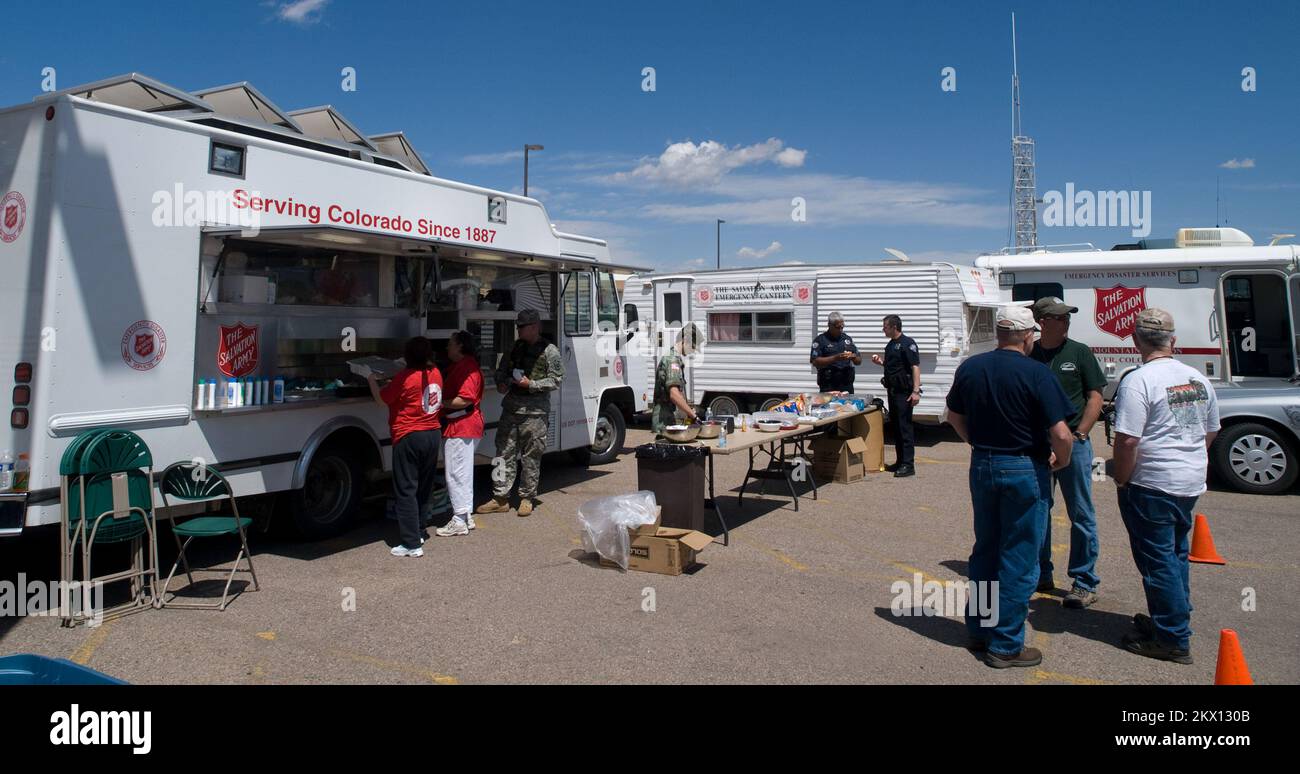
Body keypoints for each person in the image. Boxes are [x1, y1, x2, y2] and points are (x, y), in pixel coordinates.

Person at [946, 305, 1074, 668]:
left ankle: (982, 628)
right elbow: (1061, 433)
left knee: (986, 549)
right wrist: (1061, 459)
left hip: (984, 463)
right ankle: (1005, 644)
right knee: (1019, 556)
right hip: (1022, 466)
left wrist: (977, 443)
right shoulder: (1037, 373)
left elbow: (954, 415)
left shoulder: (971, 367)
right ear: (1026, 335)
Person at [1111, 308, 1219, 664]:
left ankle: (1172, 637)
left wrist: (1123, 478)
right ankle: (1171, 619)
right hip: (1188, 481)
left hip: (1152, 482)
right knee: (1175, 554)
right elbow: (1211, 429)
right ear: (1173, 340)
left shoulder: (1139, 380)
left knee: (1157, 560)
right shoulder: (1195, 378)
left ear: (1136, 340)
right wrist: (1189, 457)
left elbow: (1127, 440)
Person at [1030, 296, 1108, 607]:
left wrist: (1079, 435)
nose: (1066, 322)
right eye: (1060, 318)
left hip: (1075, 443)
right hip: (1039, 444)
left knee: (1081, 513)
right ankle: (1041, 573)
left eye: (1067, 317)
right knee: (1039, 511)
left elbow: (1095, 398)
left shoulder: (1079, 352)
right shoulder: (1029, 352)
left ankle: (1084, 581)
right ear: (1043, 322)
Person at [476, 309, 564, 518]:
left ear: (534, 327)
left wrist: (531, 384)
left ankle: (527, 497)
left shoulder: (550, 351)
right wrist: (502, 383)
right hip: (511, 409)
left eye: (521, 327)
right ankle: (500, 498)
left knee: (531, 457)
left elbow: (556, 380)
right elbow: (502, 370)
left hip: (534, 413)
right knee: (502, 454)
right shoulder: (515, 348)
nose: (518, 330)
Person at [368, 337, 443, 558]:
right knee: (423, 486)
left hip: (409, 435)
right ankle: (419, 530)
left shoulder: (404, 378)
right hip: (432, 434)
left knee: (406, 489)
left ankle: (411, 544)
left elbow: (382, 400)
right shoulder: (436, 373)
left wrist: (371, 379)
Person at [435, 331, 484, 537]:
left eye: (450, 344)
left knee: (456, 474)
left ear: (461, 346)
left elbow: (465, 399)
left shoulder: (468, 368)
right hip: (463, 426)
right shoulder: (462, 366)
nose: (447, 347)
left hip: (461, 426)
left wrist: (438, 403)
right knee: (463, 474)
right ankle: (465, 516)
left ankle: (459, 519)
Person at [870, 315, 921, 477]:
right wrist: (881, 362)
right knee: (897, 428)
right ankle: (900, 461)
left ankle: (908, 464)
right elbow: (894, 366)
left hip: (904, 392)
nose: (883, 329)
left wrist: (915, 391)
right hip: (892, 391)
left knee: (905, 428)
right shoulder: (891, 345)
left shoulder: (908, 344)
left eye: (885, 326)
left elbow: (914, 367)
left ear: (894, 327)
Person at [652, 324, 701, 435]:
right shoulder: (672, 360)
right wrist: (693, 416)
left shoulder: (676, 359)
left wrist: (688, 409)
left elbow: (678, 392)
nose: (692, 351)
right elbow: (674, 395)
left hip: (671, 420)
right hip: (665, 422)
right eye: (692, 347)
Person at [810, 312, 861, 393]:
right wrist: (835, 358)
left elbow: (859, 361)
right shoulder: (820, 340)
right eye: (838, 327)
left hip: (846, 383)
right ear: (829, 325)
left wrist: (853, 357)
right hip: (828, 384)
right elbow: (815, 361)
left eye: (842, 327)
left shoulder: (847, 339)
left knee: (848, 405)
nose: (840, 330)